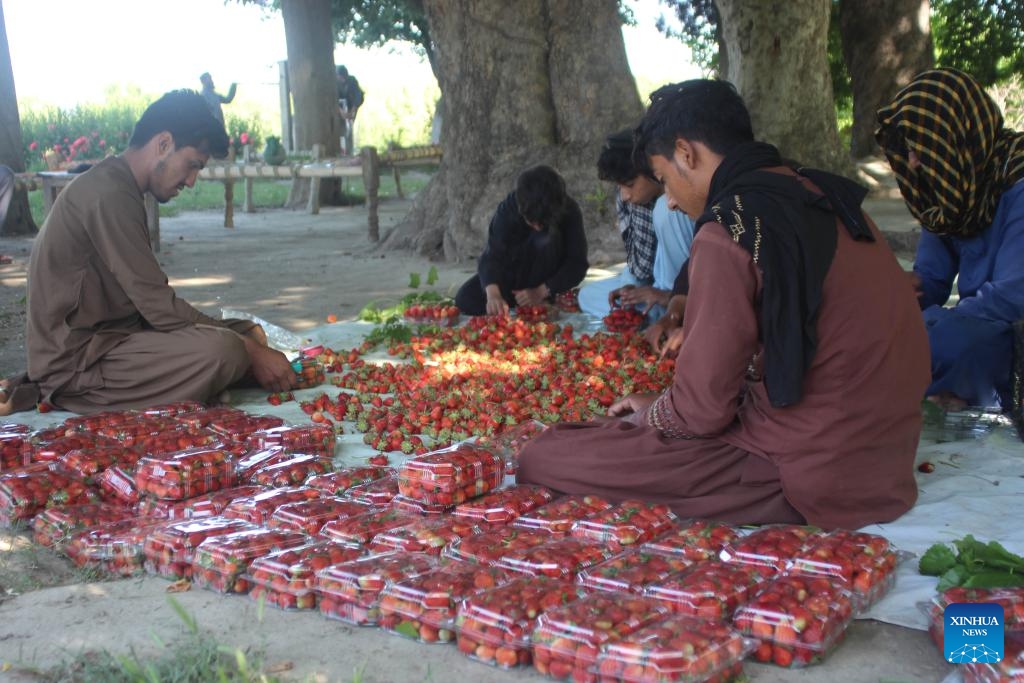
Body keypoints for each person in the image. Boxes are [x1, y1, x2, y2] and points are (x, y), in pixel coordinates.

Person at [517, 80, 929, 530]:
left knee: (547, 454)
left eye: (664, 178)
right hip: (887, 457)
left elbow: (702, 411)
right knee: (617, 429)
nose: (670, 200)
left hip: (811, 473)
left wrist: (653, 416)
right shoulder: (818, 191)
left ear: (686, 153)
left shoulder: (729, 227)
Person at [23, 89, 297, 415]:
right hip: (76, 364)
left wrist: (249, 344)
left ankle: (211, 375)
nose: (192, 181)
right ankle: (83, 397)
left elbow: (149, 307)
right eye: (192, 165)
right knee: (227, 348)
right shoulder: (108, 193)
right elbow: (159, 308)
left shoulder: (119, 185)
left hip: (119, 336)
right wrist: (249, 352)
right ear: (164, 144)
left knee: (246, 332)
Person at [876, 68, 1024, 412]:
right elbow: (931, 278)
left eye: (923, 144)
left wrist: (928, 325)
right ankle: (947, 382)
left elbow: (1013, 297)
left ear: (955, 135)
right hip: (973, 322)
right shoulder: (952, 189)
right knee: (872, 331)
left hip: (1012, 329)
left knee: (947, 344)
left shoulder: (1017, 181)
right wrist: (898, 294)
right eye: (909, 148)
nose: (913, 161)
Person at [578, 129, 695, 323]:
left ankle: (667, 314)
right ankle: (646, 312)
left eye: (630, 184)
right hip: (652, 287)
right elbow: (639, 267)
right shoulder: (631, 201)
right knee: (587, 295)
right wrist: (630, 289)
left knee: (663, 209)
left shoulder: (674, 204)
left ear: (652, 171)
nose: (625, 195)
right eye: (620, 187)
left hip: (682, 293)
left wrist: (663, 295)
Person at [455, 165, 589, 316]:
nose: (538, 227)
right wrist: (493, 295)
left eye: (543, 223)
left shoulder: (569, 210)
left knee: (546, 239)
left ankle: (543, 299)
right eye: (532, 222)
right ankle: (518, 302)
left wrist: (541, 291)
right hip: (513, 278)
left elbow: (577, 264)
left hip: (548, 279)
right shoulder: (508, 209)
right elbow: (493, 256)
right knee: (465, 299)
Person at [336, 65, 365, 155]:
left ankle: (348, 153)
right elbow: (331, 99)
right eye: (341, 78)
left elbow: (358, 96)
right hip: (337, 111)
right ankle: (340, 152)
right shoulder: (333, 83)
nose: (343, 80)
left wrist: (353, 110)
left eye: (344, 78)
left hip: (349, 111)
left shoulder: (352, 81)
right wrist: (340, 112)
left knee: (348, 134)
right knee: (340, 134)